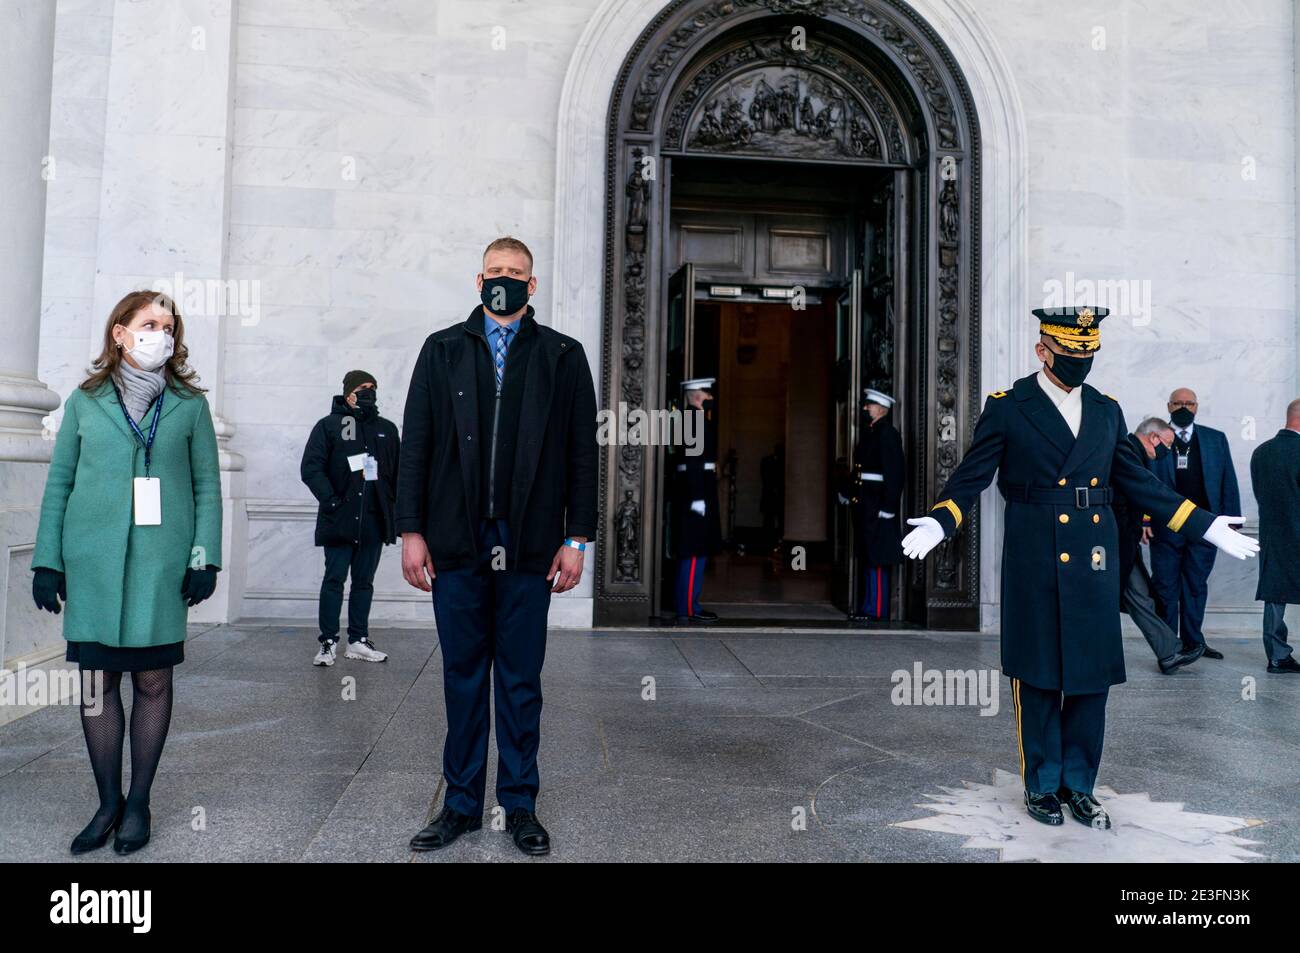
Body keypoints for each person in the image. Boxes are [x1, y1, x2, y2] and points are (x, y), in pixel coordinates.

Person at [900, 306, 1258, 829]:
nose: (1080, 364)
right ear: (1043, 350)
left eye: (1087, 355)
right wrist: (942, 519)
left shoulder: (1107, 410)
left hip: (1093, 557)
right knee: (1039, 675)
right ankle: (1042, 785)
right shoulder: (1009, 406)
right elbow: (972, 475)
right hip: (1035, 553)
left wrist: (1201, 523)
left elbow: (1138, 482)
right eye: (1070, 355)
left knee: (1090, 680)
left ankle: (1079, 786)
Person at [399, 237, 597, 856]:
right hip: (457, 542)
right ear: (478, 279)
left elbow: (581, 454)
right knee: (461, 676)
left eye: (516, 273)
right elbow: (417, 445)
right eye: (495, 273)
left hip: (531, 544)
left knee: (519, 679)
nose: (504, 281)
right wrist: (411, 531)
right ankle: (459, 805)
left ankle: (519, 805)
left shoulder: (563, 356)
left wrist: (576, 538)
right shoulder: (443, 350)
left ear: (532, 286)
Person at [31, 290, 222, 855]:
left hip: (161, 563)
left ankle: (138, 802)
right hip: (90, 561)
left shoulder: (190, 404)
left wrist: (203, 557)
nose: (160, 333)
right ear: (119, 332)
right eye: (148, 323)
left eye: (168, 325)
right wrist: (47, 560)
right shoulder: (86, 401)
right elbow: (60, 482)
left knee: (153, 680)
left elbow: (207, 485)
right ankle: (107, 802)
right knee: (97, 686)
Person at [300, 370, 400, 666]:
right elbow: (311, 467)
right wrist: (331, 501)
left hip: (373, 519)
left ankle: (358, 639)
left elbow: (398, 473)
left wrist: (396, 513)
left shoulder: (386, 428)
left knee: (364, 582)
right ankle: (328, 642)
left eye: (373, 387)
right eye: (362, 387)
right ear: (348, 393)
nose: (369, 391)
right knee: (334, 579)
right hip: (340, 519)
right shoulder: (329, 426)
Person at [1147, 387, 1242, 660]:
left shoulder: (1215, 439)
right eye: (1178, 402)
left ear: (1197, 407)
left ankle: (1194, 642)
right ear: (1168, 406)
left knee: (1196, 584)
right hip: (1166, 525)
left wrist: (1230, 520)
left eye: (1189, 403)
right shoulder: (1155, 439)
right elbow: (1143, 480)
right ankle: (1168, 645)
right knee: (1165, 586)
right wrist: (1142, 519)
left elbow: (1228, 480)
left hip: (1205, 525)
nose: (1184, 407)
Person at [1114, 417, 1201, 673]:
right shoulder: (1128, 453)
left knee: (1142, 598)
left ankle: (1169, 652)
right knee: (1139, 597)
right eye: (1168, 443)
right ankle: (1169, 652)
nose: (1169, 450)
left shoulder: (1132, 452)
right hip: (1116, 544)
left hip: (1123, 542)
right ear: (1154, 437)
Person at [1249, 399, 1300, 674]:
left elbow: (1261, 494)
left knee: (1274, 596)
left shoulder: (1261, 452)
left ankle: (1277, 656)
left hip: (1272, 534)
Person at [847, 388, 904, 622]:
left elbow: (895, 473)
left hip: (878, 502)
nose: (865, 408)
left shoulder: (888, 434)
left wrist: (889, 506)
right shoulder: (872, 433)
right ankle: (868, 606)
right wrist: (848, 491)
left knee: (878, 557)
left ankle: (877, 609)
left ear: (881, 408)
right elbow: (861, 470)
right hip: (867, 501)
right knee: (869, 554)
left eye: (869, 405)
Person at [674, 378, 722, 624]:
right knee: (694, 552)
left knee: (697, 551)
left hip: (699, 487)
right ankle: (688, 607)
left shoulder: (694, 418)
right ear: (696, 396)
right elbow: (693, 460)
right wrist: (697, 497)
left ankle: (690, 603)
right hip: (696, 491)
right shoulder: (693, 419)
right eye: (706, 393)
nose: (710, 397)